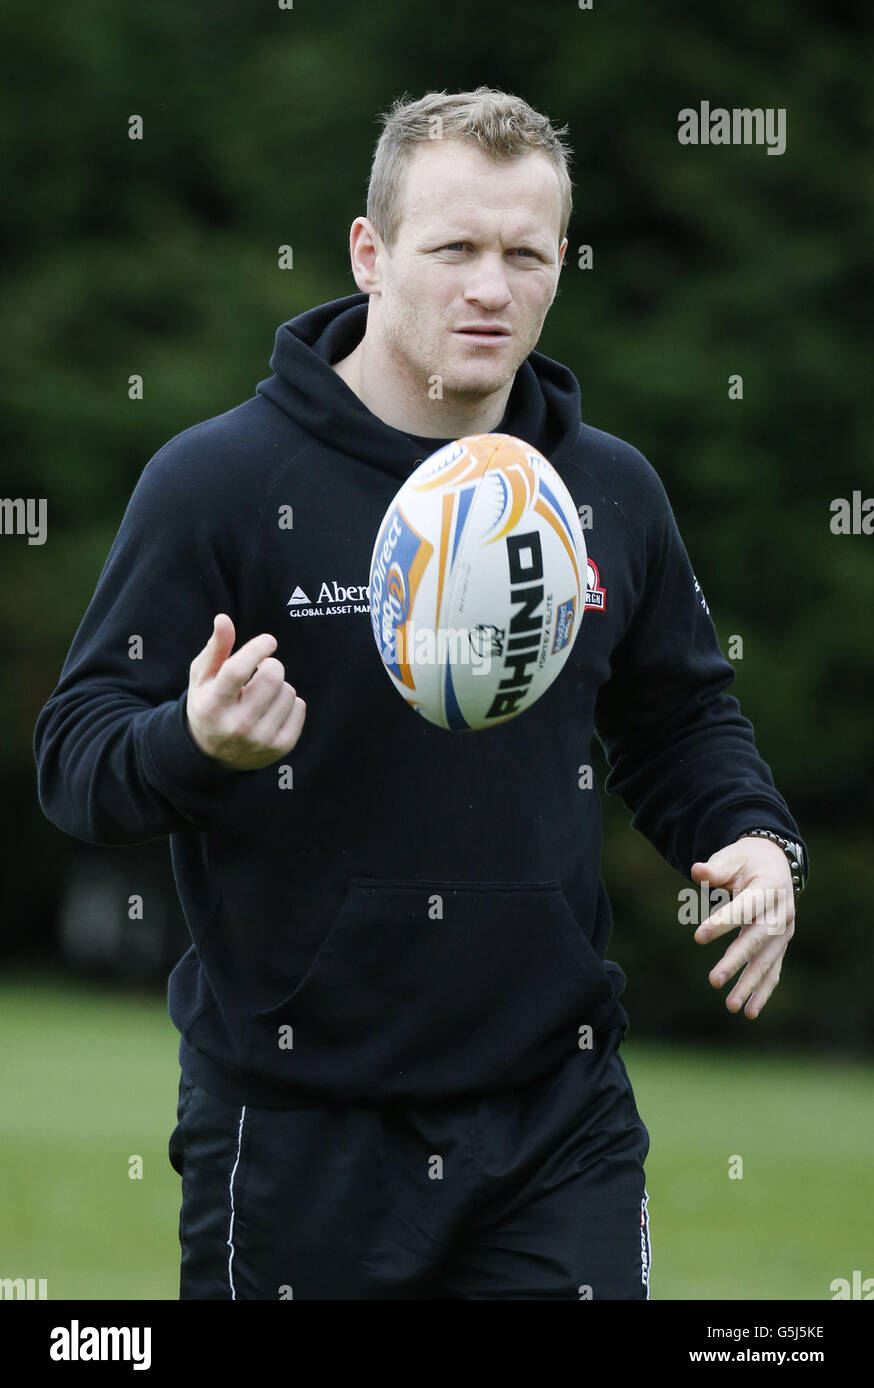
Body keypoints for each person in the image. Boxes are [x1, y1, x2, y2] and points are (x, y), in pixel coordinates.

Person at [33, 87, 808, 1301]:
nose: (490, 288)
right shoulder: (219, 483)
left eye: (525, 255)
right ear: (370, 253)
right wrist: (192, 740)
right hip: (298, 1128)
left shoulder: (608, 490)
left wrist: (753, 837)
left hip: (557, 1115)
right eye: (454, 249)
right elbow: (74, 759)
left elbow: (681, 719)